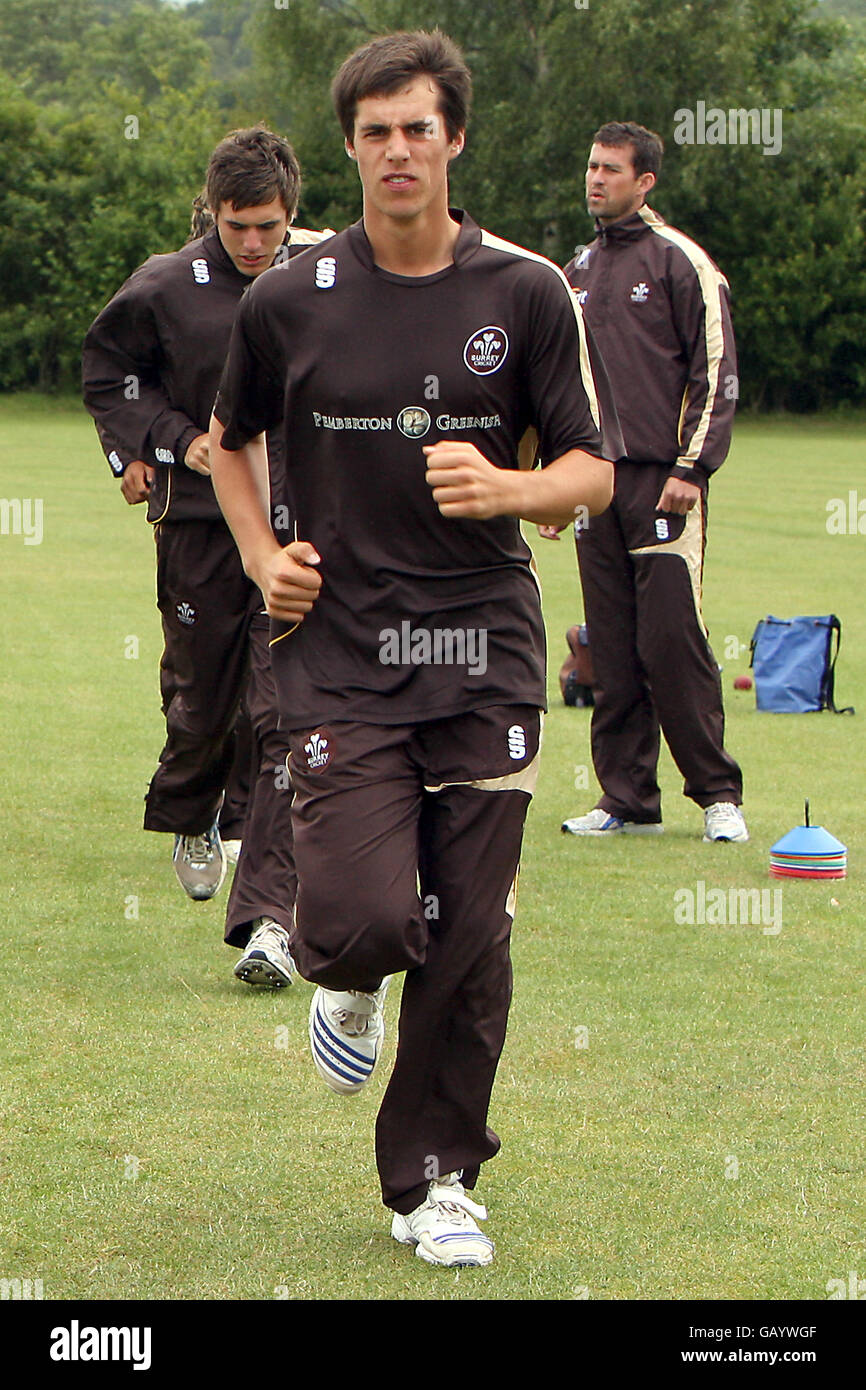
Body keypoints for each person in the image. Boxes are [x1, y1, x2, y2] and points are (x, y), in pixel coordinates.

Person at [209, 30, 617, 1267]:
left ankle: (436, 1178)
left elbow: (595, 474)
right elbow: (230, 440)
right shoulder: (289, 295)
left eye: (419, 127)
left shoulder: (527, 292)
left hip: (484, 650)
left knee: (475, 928)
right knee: (364, 909)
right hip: (335, 648)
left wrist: (506, 488)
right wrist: (254, 556)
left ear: (455, 140)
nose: (399, 148)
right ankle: (346, 970)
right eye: (376, 130)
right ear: (350, 146)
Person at [82, 127, 328, 989]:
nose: (255, 243)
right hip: (196, 527)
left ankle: (268, 920)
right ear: (212, 213)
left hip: (298, 536)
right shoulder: (163, 283)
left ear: (291, 212)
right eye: (237, 227)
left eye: (268, 225)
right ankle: (194, 810)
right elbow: (109, 371)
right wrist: (159, 444)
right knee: (200, 708)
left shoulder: (328, 277)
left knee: (284, 719)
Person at [559, 122, 748, 844]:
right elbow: (557, 385)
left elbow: (717, 373)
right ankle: (625, 798)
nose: (595, 178)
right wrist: (555, 479)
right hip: (594, 486)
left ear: (646, 182)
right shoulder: (575, 271)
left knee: (671, 639)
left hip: (663, 483)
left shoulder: (683, 263)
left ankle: (717, 795)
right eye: (591, 164)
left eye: (610, 168)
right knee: (609, 645)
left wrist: (691, 468)